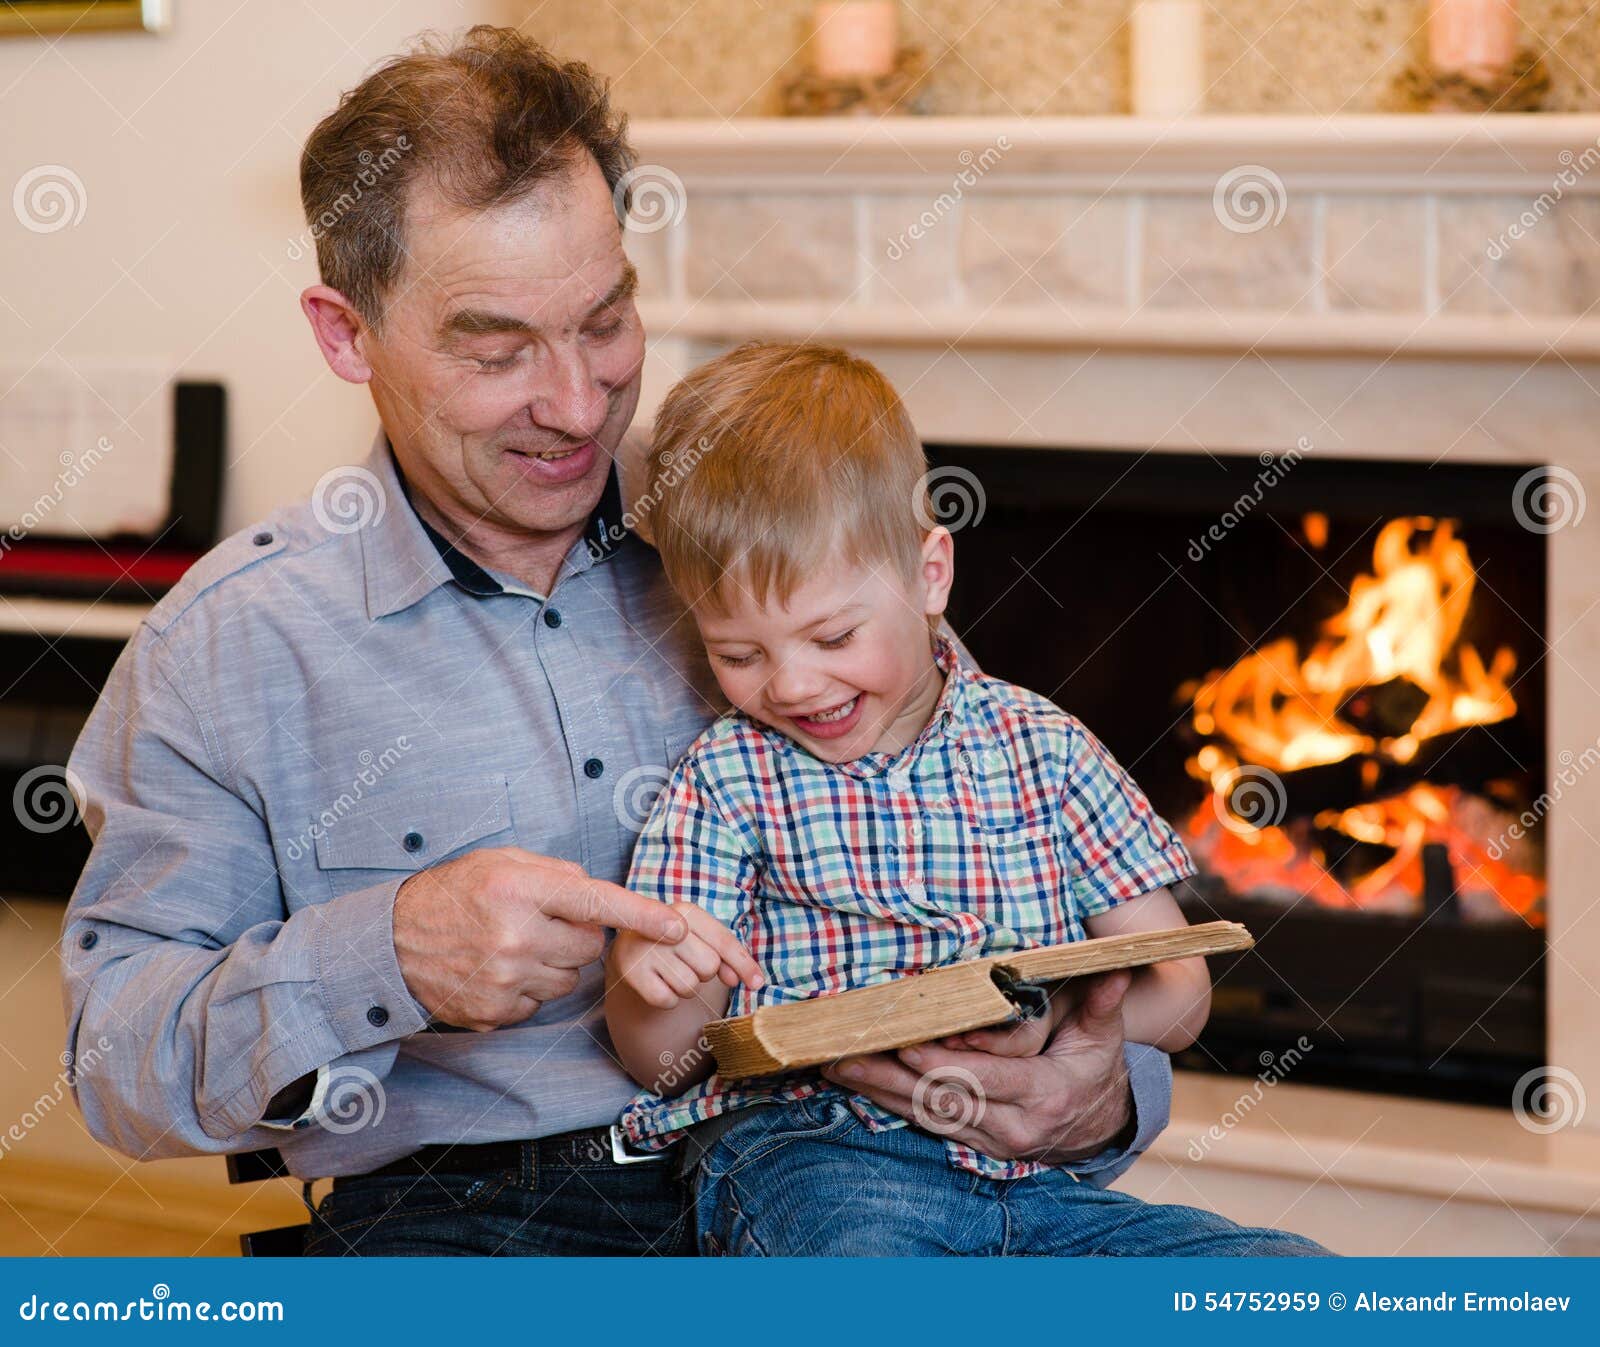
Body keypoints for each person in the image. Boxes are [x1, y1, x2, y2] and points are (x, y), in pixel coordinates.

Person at [59, 28, 1174, 1257]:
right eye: (497, 351)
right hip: (477, 1223)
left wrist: (1100, 1092)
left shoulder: (766, 520)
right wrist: (384, 957)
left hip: (877, 1168)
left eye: (605, 322)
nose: (578, 405)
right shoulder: (229, 646)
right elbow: (117, 1064)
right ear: (346, 334)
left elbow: (1021, 863)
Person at [605, 342, 1329, 1257]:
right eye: (738, 654)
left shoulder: (1044, 747)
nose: (790, 684)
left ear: (930, 575)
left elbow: (1181, 992)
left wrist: (1054, 1030)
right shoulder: (726, 777)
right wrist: (654, 980)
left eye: (833, 636)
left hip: (1038, 1183)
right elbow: (662, 1061)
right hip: (821, 1160)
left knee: (1287, 1275)